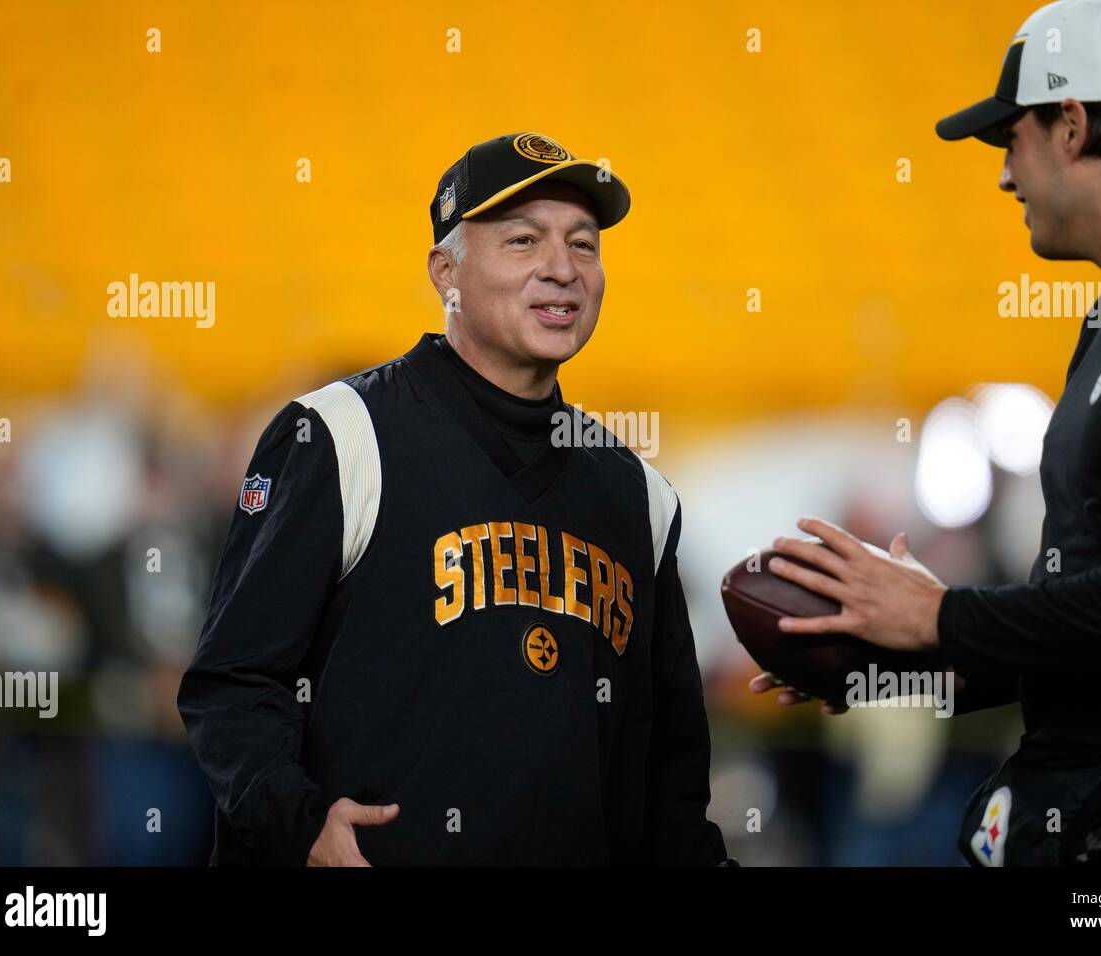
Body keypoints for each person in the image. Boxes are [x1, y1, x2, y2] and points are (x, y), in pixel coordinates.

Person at [753, 0, 1101, 866]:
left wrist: (943, 615)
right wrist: (897, 665)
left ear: (1071, 124)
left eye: (1008, 139)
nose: (1003, 176)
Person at [178, 132, 729, 866]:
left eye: (584, 245)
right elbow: (231, 682)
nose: (561, 269)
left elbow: (670, 777)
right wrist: (299, 822)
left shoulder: (641, 497)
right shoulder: (338, 437)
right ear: (447, 273)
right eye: (523, 240)